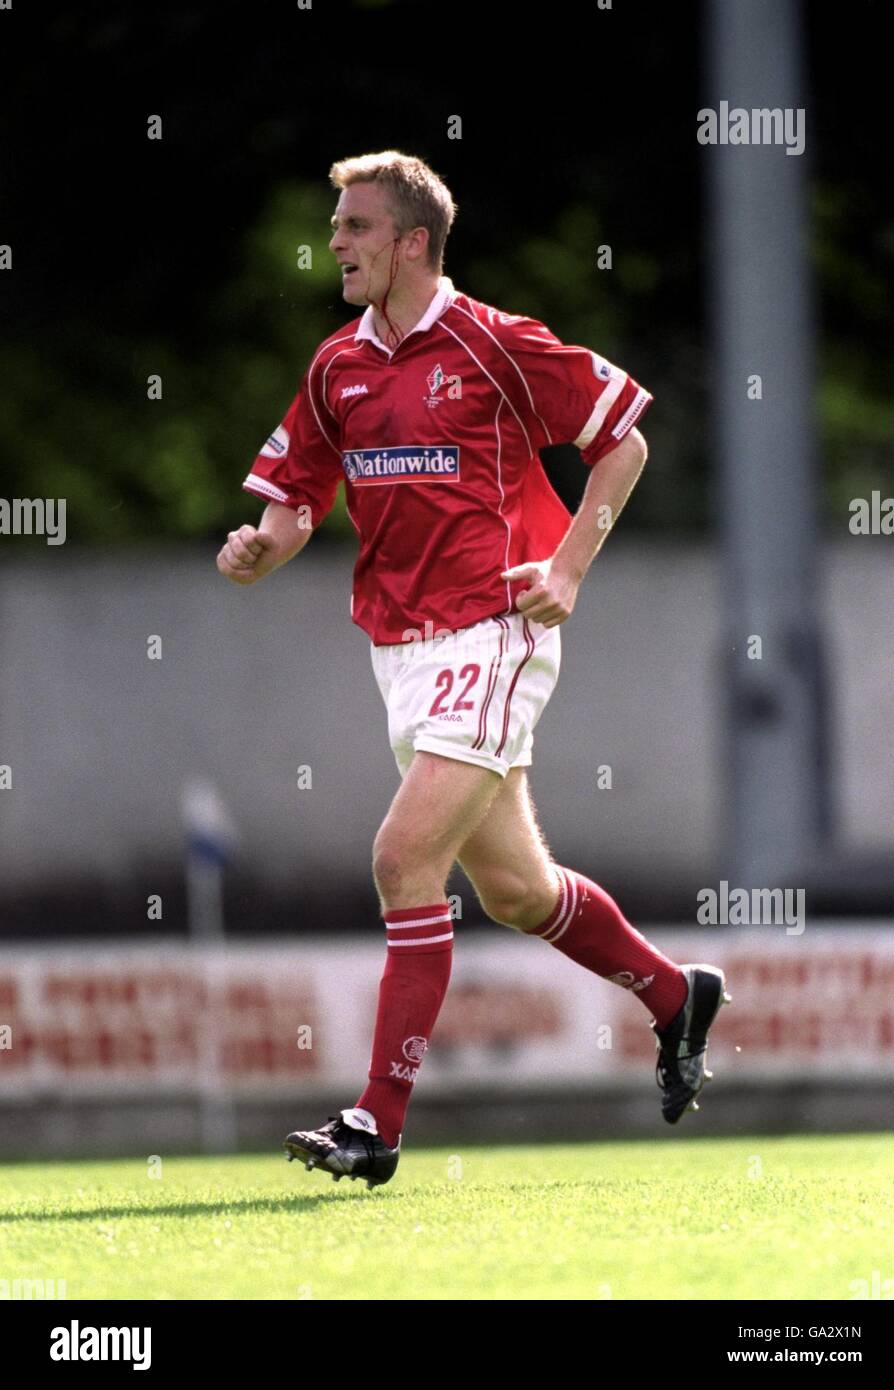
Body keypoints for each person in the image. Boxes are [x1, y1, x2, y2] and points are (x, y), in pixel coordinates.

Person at [217, 150, 730, 1190]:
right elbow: (296, 494)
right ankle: (678, 997)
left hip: (498, 631)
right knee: (517, 891)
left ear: (412, 242)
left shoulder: (494, 344)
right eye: (337, 223)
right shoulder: (336, 366)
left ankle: (378, 1123)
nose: (337, 241)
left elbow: (620, 441)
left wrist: (570, 565)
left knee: (404, 857)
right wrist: (265, 542)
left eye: (356, 225)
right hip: (402, 655)